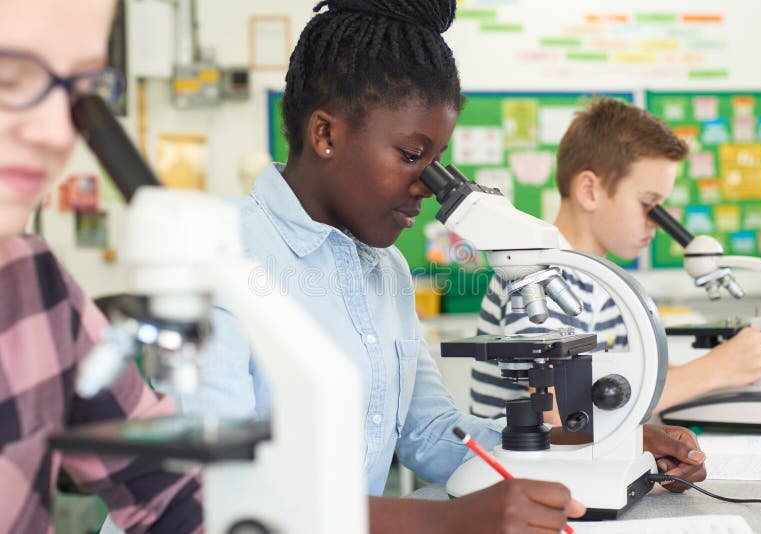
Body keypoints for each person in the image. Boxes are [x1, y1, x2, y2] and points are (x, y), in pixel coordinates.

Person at [177, 2, 706, 531]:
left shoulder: (385, 270)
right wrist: (447, 523)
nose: (427, 188)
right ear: (326, 135)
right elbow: (213, 492)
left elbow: (431, 432)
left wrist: (596, 446)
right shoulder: (215, 257)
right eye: (412, 155)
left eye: (437, 162)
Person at [0, 0, 202, 531]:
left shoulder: (35, 285)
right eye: (6, 77)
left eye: (81, 91)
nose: (55, 133)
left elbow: (169, 488)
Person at [470, 97, 761, 422]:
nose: (657, 222)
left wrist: (737, 371)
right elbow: (560, 409)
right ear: (590, 191)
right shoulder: (537, 275)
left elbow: (627, 381)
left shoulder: (602, 280)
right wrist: (716, 369)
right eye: (648, 203)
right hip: (515, 469)